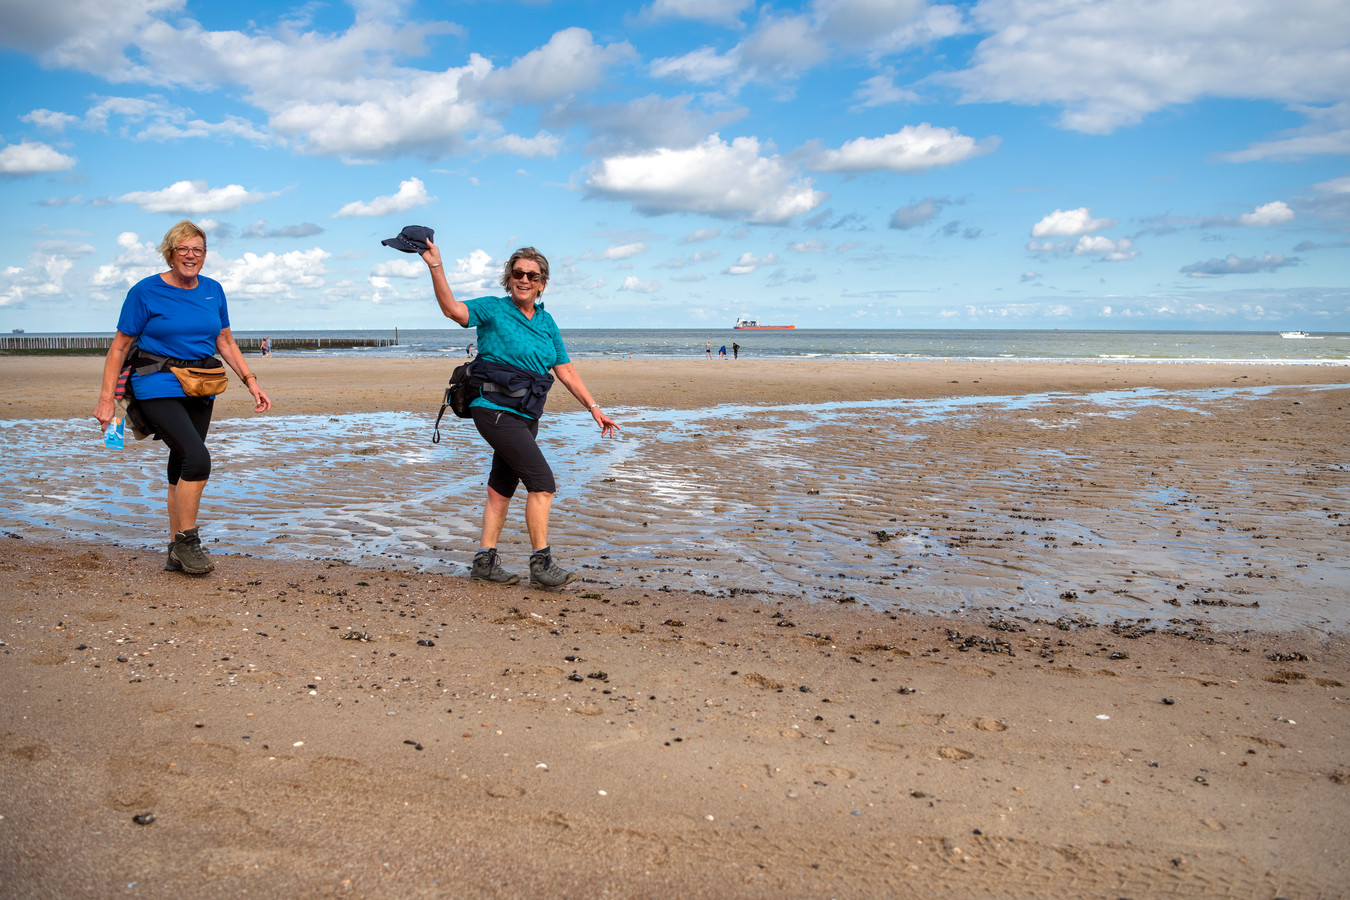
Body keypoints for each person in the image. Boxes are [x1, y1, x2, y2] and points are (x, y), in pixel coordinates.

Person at [421, 239, 619, 589]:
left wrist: (594, 408)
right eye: (517, 273)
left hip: (527, 415)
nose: (524, 279)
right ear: (508, 279)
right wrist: (436, 265)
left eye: (532, 275)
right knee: (542, 483)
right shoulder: (493, 310)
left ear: (543, 283)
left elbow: (566, 369)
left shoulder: (546, 322)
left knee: (501, 488)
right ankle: (541, 564)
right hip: (494, 409)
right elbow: (453, 310)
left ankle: (484, 562)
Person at [93, 221, 272, 575]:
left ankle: (176, 548)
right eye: (183, 249)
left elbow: (225, 341)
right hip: (155, 383)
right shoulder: (145, 292)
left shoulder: (213, 290)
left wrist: (251, 381)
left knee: (181, 462)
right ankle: (188, 542)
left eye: (198, 250)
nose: (191, 256)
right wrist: (105, 401)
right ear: (170, 252)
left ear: (205, 256)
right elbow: (120, 347)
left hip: (201, 386)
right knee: (197, 459)